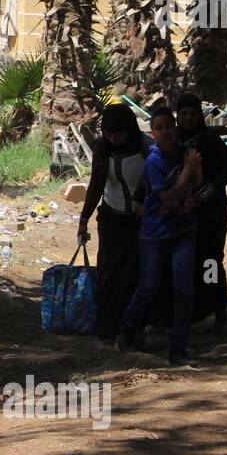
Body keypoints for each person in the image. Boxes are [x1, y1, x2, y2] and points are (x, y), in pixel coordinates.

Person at [117, 107, 202, 365]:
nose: (165, 132)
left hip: (183, 230)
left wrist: (195, 169)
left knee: (184, 289)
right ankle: (128, 329)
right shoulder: (154, 162)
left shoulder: (184, 154)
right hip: (155, 233)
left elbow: (197, 185)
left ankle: (178, 348)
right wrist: (187, 170)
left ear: (175, 129)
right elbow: (167, 196)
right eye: (159, 127)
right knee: (148, 286)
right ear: (152, 133)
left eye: (169, 126)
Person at [77, 104, 149, 342]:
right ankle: (107, 327)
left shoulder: (146, 147)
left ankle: (132, 327)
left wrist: (143, 203)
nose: (114, 139)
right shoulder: (102, 149)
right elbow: (96, 183)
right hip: (111, 219)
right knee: (108, 273)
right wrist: (84, 218)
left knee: (133, 274)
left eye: (118, 134)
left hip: (140, 222)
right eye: (109, 135)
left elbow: (154, 180)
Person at [174, 94, 227, 332]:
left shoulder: (210, 140)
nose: (188, 118)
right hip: (183, 214)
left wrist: (206, 192)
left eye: (192, 114)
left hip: (212, 214)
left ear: (199, 116)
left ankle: (218, 308)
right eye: (183, 114)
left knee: (210, 262)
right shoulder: (175, 140)